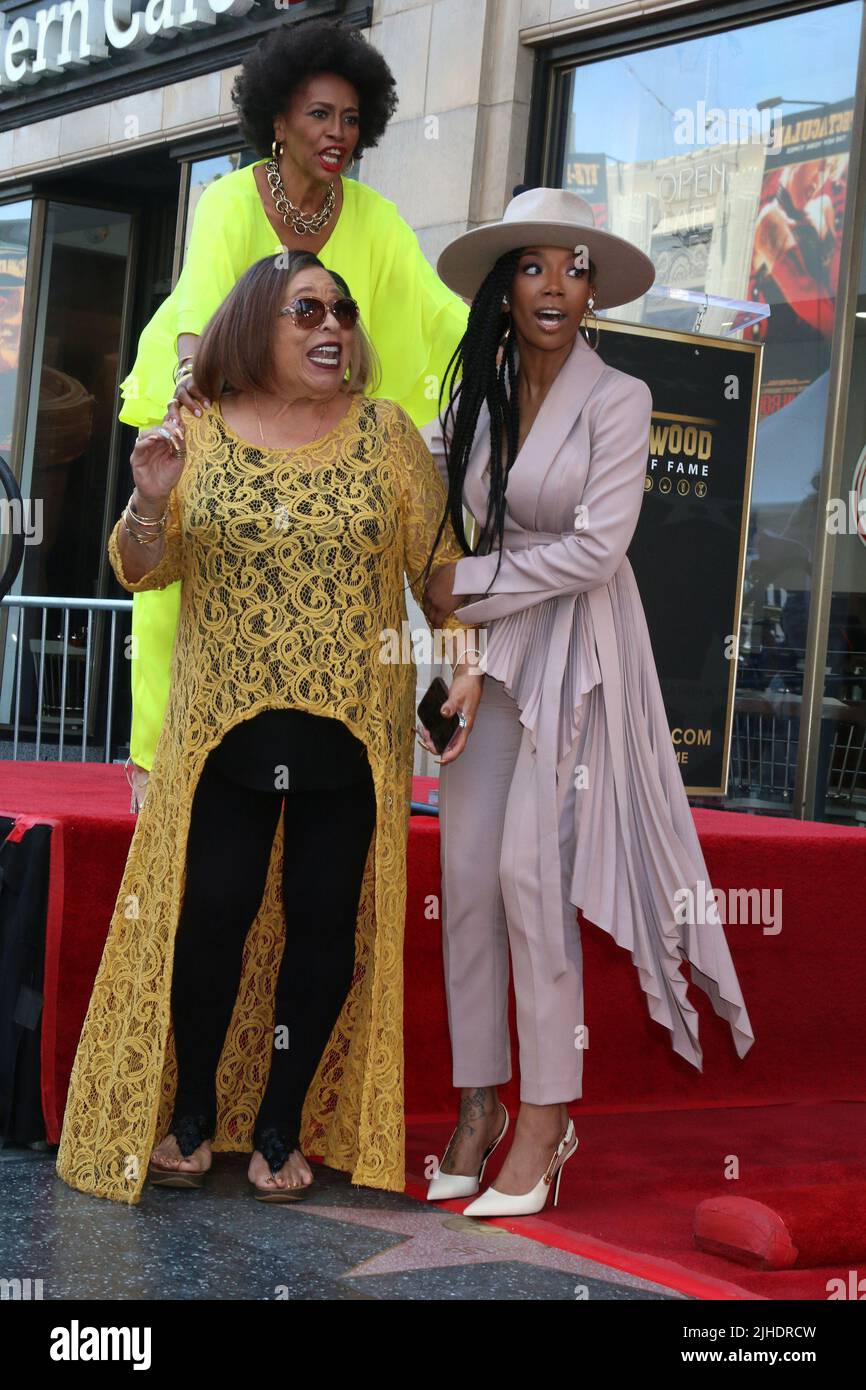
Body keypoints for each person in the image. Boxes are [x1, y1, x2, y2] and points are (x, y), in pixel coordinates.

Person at [55, 251, 480, 1205]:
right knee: (212, 916)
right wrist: (150, 498)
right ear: (255, 324)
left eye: (342, 310)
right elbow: (139, 568)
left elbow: (440, 565)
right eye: (306, 311)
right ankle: (196, 1112)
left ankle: (282, 1122)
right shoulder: (195, 436)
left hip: (347, 736)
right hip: (225, 735)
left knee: (323, 925)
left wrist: (465, 657)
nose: (332, 325)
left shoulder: (385, 437)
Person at [418, 187, 755, 1217]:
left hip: (581, 646)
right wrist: (450, 627)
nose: (553, 285)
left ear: (594, 288)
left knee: (530, 870)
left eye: (573, 265)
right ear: (505, 285)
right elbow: (427, 520)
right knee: (465, 875)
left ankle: (546, 1118)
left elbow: (593, 550)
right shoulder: (474, 391)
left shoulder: (620, 395)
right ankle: (477, 1104)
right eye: (532, 266)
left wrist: (464, 586)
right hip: (485, 656)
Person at [119, 16, 469, 806]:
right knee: (179, 578)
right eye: (319, 114)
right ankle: (154, 761)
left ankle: (294, 755)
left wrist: (509, 340)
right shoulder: (226, 201)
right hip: (208, 406)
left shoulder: (375, 219)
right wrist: (188, 398)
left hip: (316, 437)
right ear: (278, 121)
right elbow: (201, 305)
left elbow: (440, 315)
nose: (337, 133)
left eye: (351, 118)